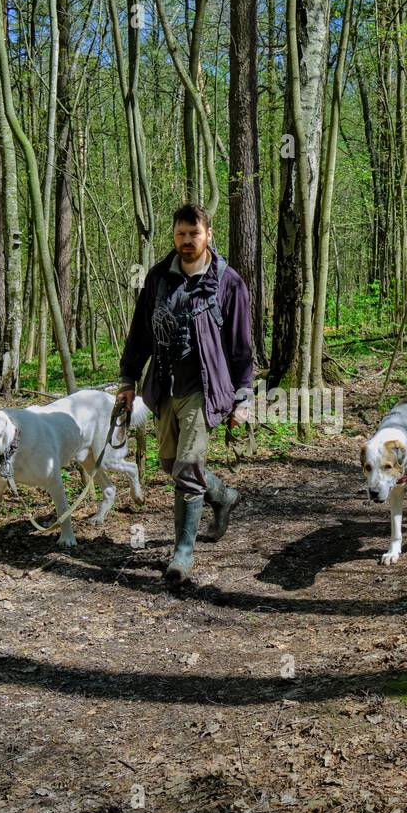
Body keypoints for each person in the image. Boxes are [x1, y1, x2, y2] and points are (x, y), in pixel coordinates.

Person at [116, 203, 254, 582]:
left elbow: (241, 345)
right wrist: (128, 381)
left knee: (188, 466)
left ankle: (182, 554)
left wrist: (243, 395)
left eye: (194, 234)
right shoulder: (159, 277)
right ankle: (222, 495)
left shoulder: (229, 282)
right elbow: (139, 335)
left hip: (204, 388)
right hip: (163, 387)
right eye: (180, 234)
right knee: (170, 465)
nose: (187, 241)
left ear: (208, 234)